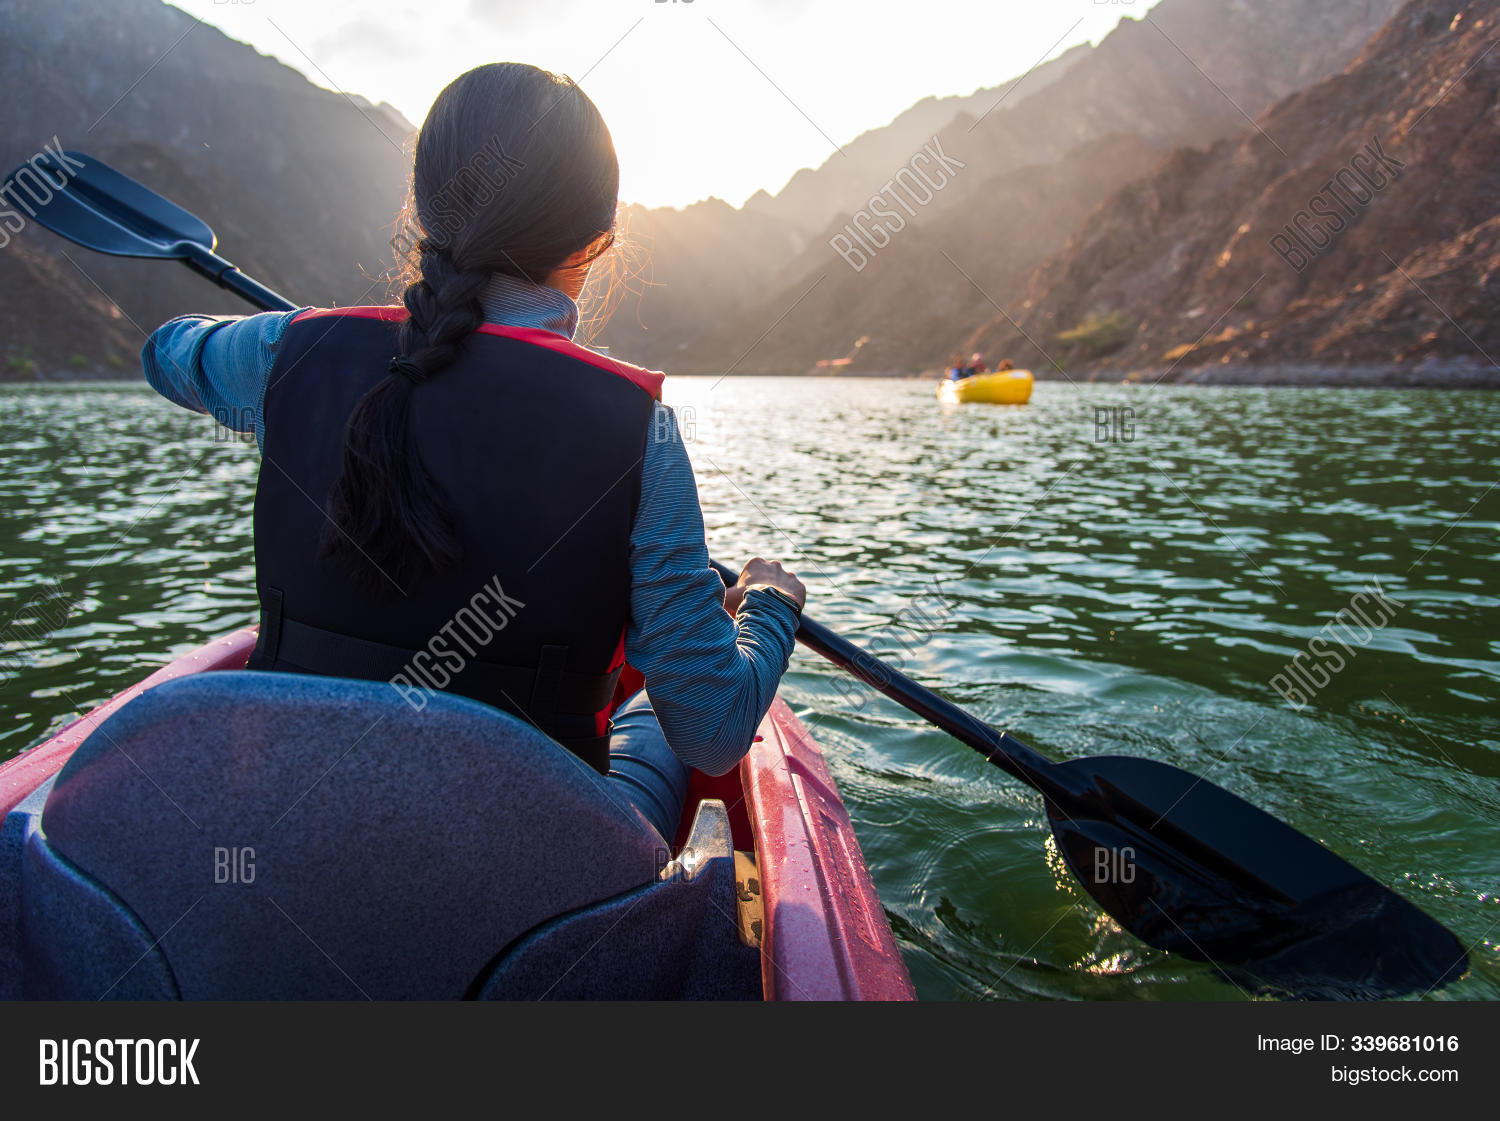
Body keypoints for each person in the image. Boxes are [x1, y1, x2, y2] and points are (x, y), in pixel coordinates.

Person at [138, 63, 806, 843]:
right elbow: (715, 729)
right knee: (657, 712)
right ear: (598, 241)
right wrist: (768, 607)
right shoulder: (641, 430)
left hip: (291, 828)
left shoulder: (291, 353)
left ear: (425, 210)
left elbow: (166, 352)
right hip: (523, 884)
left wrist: (301, 340)